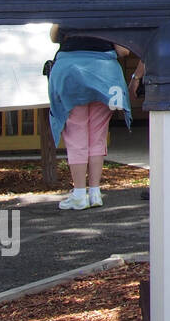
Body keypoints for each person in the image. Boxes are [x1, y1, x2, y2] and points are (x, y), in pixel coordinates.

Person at [46, 27, 132, 210]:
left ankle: (78, 194)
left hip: (70, 73)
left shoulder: (69, 9)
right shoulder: (108, 13)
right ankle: (95, 192)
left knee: (76, 133)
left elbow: (54, 36)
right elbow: (123, 51)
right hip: (105, 75)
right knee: (98, 134)